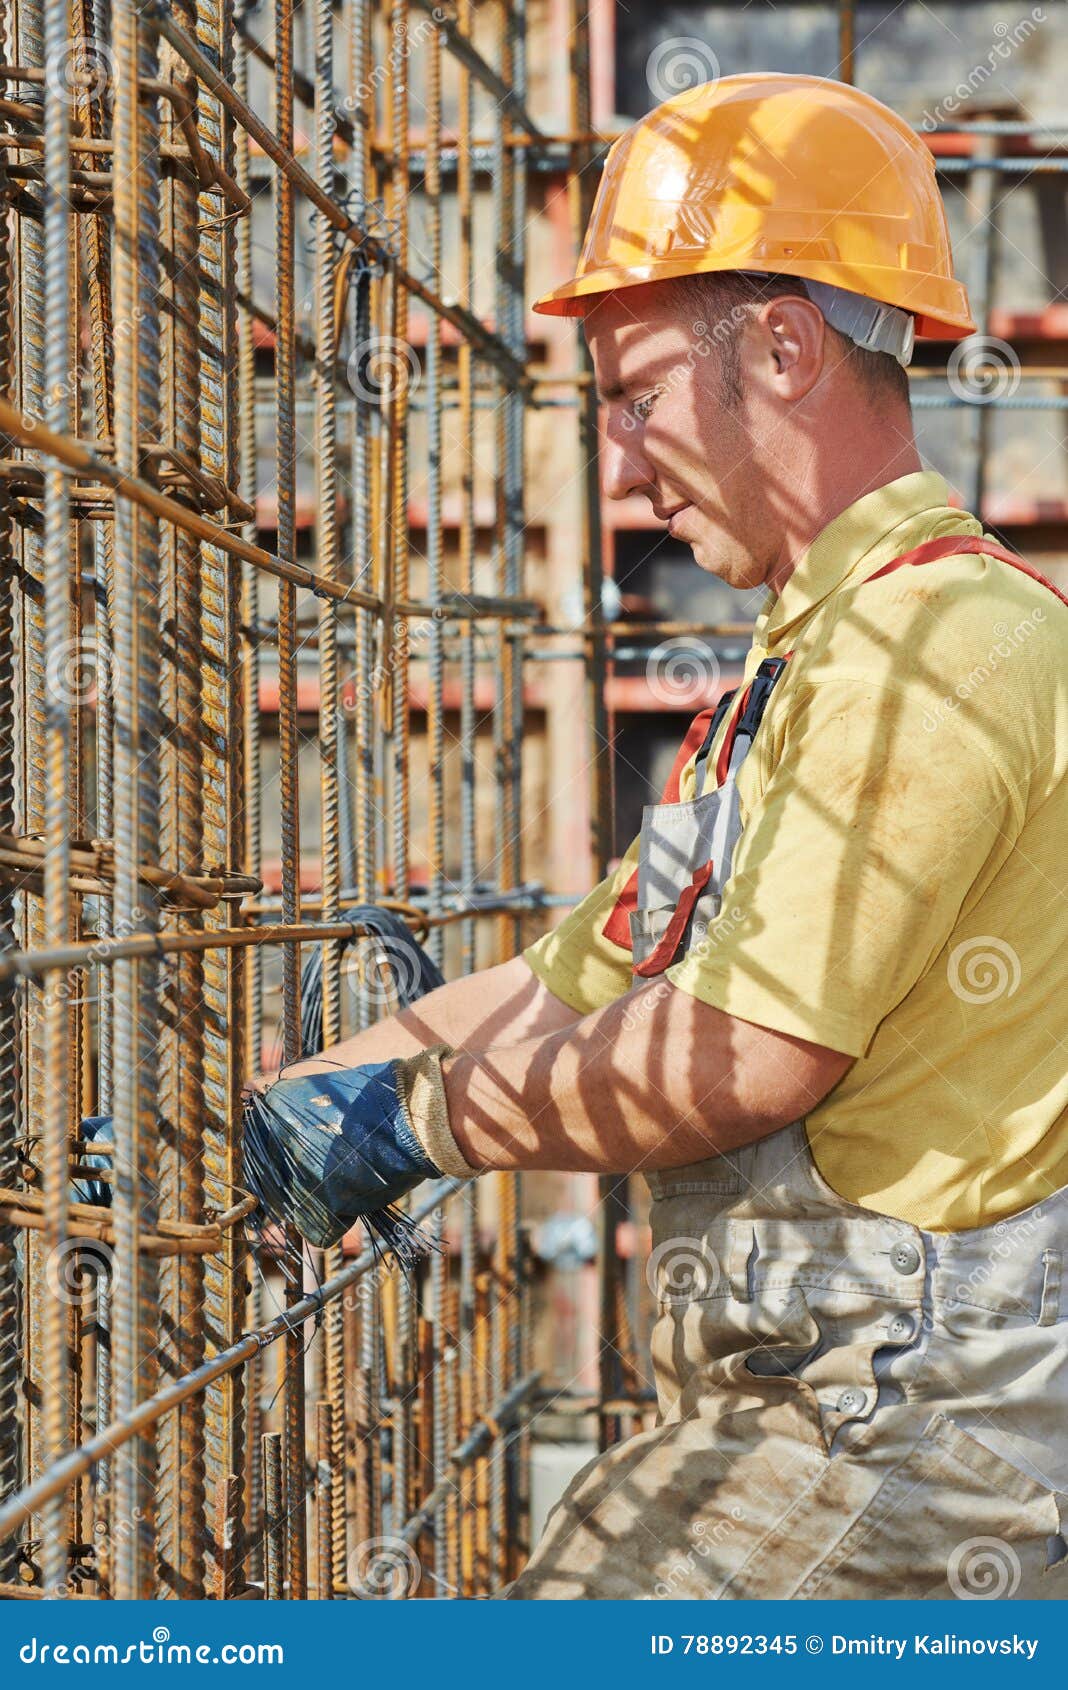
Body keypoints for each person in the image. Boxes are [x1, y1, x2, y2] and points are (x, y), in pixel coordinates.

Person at [247, 73, 1068, 1599]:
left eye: (635, 396)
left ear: (781, 345)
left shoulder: (941, 650)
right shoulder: (804, 659)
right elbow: (590, 962)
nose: (617, 464)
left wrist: (412, 1123)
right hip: (813, 1423)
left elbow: (742, 1053)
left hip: (924, 1455)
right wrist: (288, 1103)